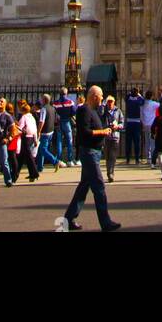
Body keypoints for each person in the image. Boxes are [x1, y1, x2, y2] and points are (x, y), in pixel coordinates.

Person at [63, 85, 121, 232]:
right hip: (89, 153)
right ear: (94, 96)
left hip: (94, 152)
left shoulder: (94, 111)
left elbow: (94, 128)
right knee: (99, 187)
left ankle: (68, 219)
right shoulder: (84, 110)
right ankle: (105, 223)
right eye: (101, 96)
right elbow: (85, 131)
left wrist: (108, 128)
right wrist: (102, 131)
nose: (102, 99)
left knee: (84, 187)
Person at [15, 100, 41, 182]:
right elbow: (35, 128)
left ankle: (34, 173)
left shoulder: (24, 117)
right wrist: (36, 138)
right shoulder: (31, 117)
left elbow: (20, 128)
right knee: (23, 157)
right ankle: (18, 174)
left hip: (25, 137)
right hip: (31, 137)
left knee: (28, 157)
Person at [37, 93, 60, 171]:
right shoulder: (53, 108)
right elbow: (55, 119)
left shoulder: (43, 109)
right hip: (51, 131)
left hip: (45, 132)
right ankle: (40, 167)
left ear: (44, 100)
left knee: (43, 149)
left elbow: (41, 121)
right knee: (41, 150)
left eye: (41, 99)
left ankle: (55, 161)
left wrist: (38, 131)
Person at [102, 96, 122, 183]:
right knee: (107, 156)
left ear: (114, 102)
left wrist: (117, 126)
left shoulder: (118, 111)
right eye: (108, 102)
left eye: (111, 101)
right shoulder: (103, 111)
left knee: (113, 157)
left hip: (115, 136)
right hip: (106, 136)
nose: (110, 103)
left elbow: (122, 122)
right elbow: (99, 119)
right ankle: (108, 172)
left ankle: (111, 173)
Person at [54, 88, 76, 166]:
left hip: (60, 121)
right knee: (69, 141)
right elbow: (74, 112)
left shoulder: (56, 103)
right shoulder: (70, 101)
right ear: (66, 93)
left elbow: (55, 112)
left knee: (59, 141)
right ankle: (69, 160)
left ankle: (59, 160)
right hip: (67, 121)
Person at [124, 86, 143, 165]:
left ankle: (128, 158)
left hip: (129, 122)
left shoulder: (128, 99)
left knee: (128, 142)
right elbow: (143, 101)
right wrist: (139, 94)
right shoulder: (138, 100)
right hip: (137, 122)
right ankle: (137, 159)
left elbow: (126, 97)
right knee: (136, 142)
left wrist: (130, 93)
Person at [140, 90, 158, 166]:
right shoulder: (154, 104)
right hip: (152, 124)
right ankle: (152, 158)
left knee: (147, 141)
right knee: (152, 141)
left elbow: (141, 114)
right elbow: (161, 105)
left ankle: (148, 157)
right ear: (152, 96)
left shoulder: (142, 104)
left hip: (145, 124)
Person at [5, 103, 21, 182]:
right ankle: (14, 173)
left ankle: (15, 174)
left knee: (12, 156)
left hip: (12, 138)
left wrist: (10, 137)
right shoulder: (12, 116)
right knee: (12, 156)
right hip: (14, 138)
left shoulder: (9, 117)